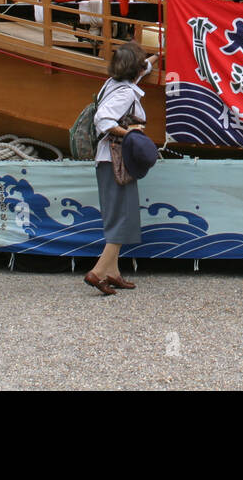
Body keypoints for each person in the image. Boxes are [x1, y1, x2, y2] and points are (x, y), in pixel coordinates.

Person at [84, 42, 151, 295]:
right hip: (117, 160)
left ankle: (113, 272)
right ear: (134, 69)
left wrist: (155, 57)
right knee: (123, 217)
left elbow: (144, 69)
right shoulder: (125, 94)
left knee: (120, 214)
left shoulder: (112, 84)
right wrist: (132, 134)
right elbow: (103, 119)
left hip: (108, 160)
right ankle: (99, 272)